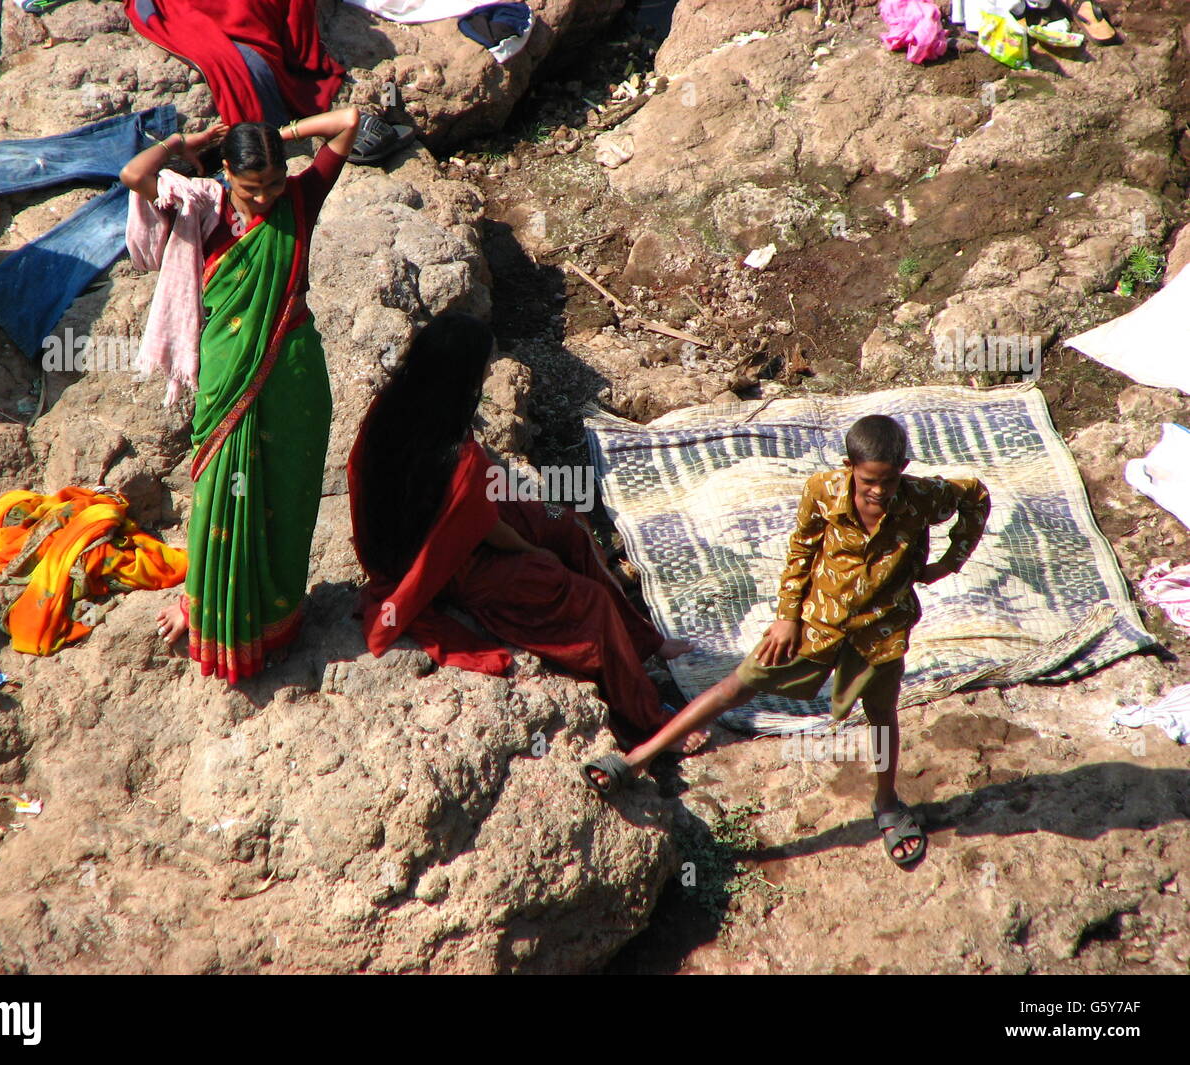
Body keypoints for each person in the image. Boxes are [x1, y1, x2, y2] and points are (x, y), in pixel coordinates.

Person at [583, 415, 991, 867]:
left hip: (881, 632)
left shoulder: (922, 497)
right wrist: (786, 618)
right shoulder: (824, 490)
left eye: (889, 481)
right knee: (736, 687)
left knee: (881, 718)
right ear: (848, 467)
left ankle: (887, 802)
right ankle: (639, 757)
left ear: (904, 468)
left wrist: (951, 562)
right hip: (816, 622)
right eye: (869, 481)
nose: (879, 491)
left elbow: (975, 495)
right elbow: (801, 551)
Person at [346, 311, 709, 752]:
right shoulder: (456, 456)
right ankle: (648, 722)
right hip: (449, 564)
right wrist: (534, 554)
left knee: (566, 524)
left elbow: (469, 510)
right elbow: (490, 532)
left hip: (451, 530)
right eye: (483, 368)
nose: (487, 374)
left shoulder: (393, 406)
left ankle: (641, 641)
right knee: (584, 600)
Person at [120, 107, 360, 683]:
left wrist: (279, 136)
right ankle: (201, 608)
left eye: (273, 183)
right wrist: (185, 142)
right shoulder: (203, 208)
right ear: (226, 173)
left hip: (295, 375)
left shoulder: (301, 198)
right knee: (218, 492)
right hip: (226, 370)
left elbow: (349, 121)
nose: (264, 198)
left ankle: (277, 614)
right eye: (252, 187)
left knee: (286, 498)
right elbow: (133, 175)